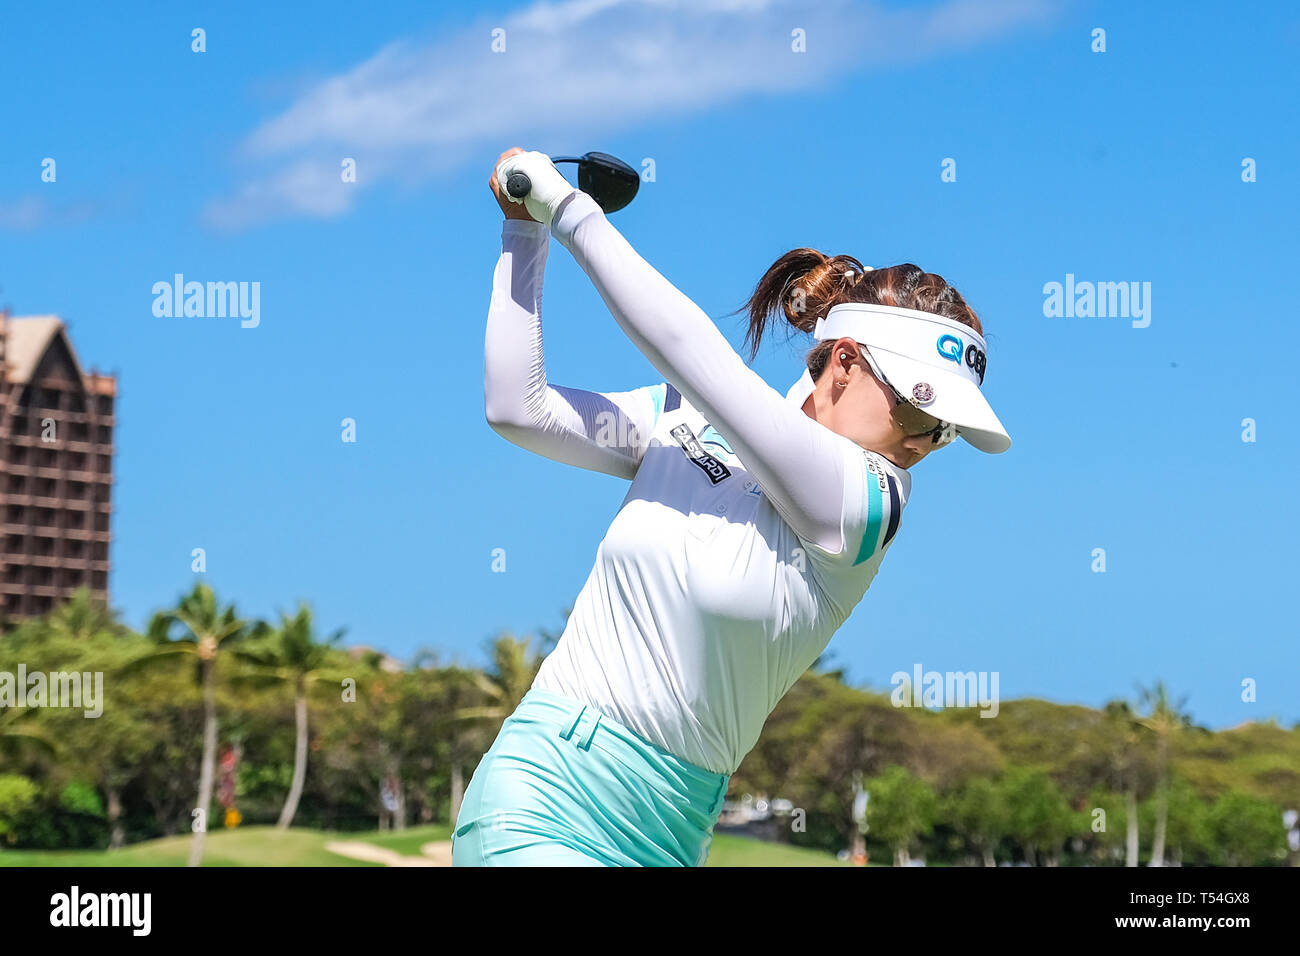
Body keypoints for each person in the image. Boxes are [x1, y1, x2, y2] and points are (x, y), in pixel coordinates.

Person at [451, 147, 1011, 867]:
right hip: (546, 793)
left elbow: (699, 359)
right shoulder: (684, 419)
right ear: (844, 359)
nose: (928, 441)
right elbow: (519, 407)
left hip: (675, 833)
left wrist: (566, 206)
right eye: (916, 410)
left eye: (948, 430)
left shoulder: (871, 502)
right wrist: (524, 229)